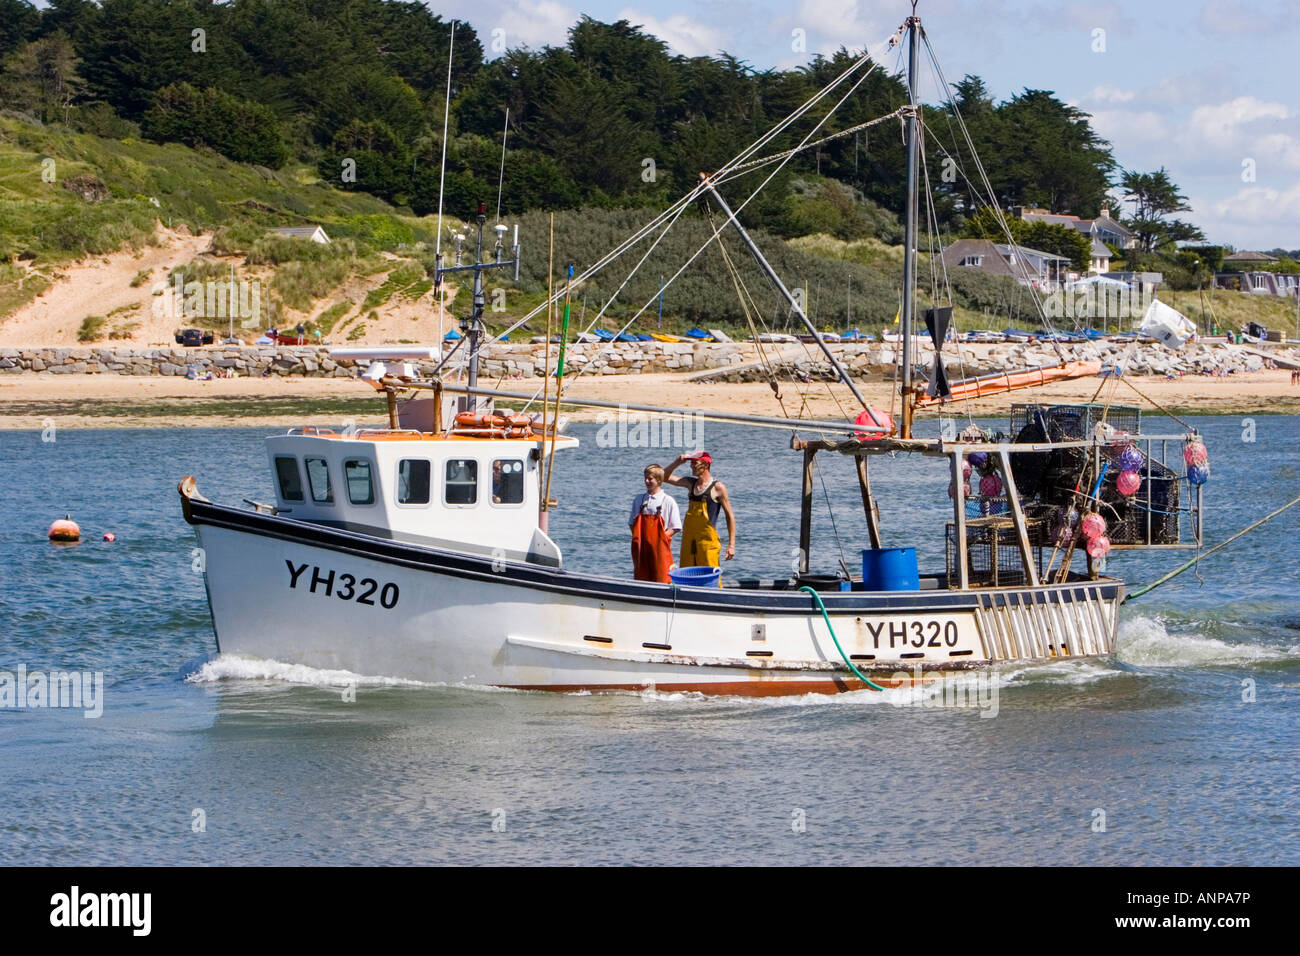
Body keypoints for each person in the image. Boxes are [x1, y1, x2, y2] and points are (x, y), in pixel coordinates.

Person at [663, 450, 735, 567]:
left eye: (695, 463)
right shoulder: (691, 483)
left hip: (707, 542)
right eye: (691, 463)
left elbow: (729, 516)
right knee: (687, 573)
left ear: (706, 465)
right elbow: (663, 477)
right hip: (689, 539)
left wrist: (731, 545)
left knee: (710, 572)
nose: (691, 466)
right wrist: (677, 462)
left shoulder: (718, 488)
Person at [628, 465, 681, 583]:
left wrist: (662, 538)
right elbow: (632, 523)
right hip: (641, 548)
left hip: (660, 549)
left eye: (650, 478)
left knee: (662, 577)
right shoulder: (639, 499)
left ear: (659, 480)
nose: (647, 481)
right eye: (645, 478)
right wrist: (638, 538)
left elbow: (676, 527)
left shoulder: (667, 500)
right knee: (641, 578)